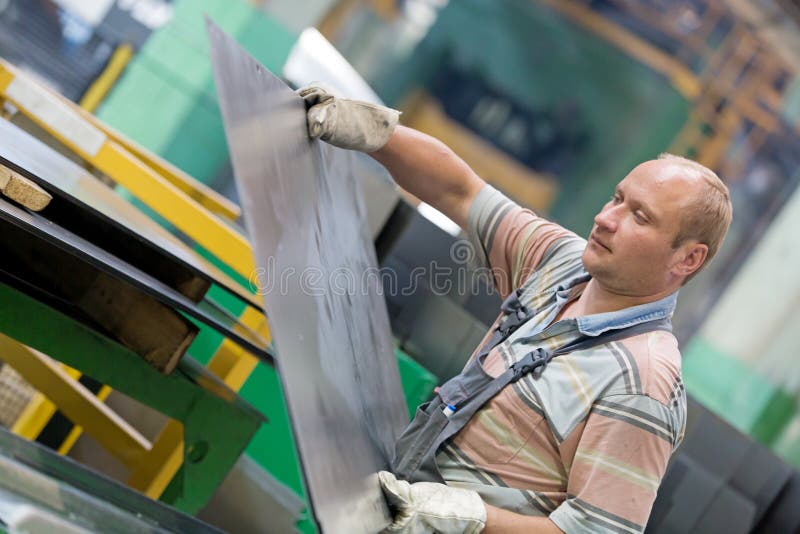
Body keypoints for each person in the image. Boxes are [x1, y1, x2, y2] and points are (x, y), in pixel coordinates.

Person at [298, 86, 732, 534]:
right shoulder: (562, 264)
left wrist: (470, 520)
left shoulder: (643, 381)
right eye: (617, 198)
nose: (607, 218)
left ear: (687, 259)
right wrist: (369, 131)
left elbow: (598, 531)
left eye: (640, 217)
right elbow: (460, 191)